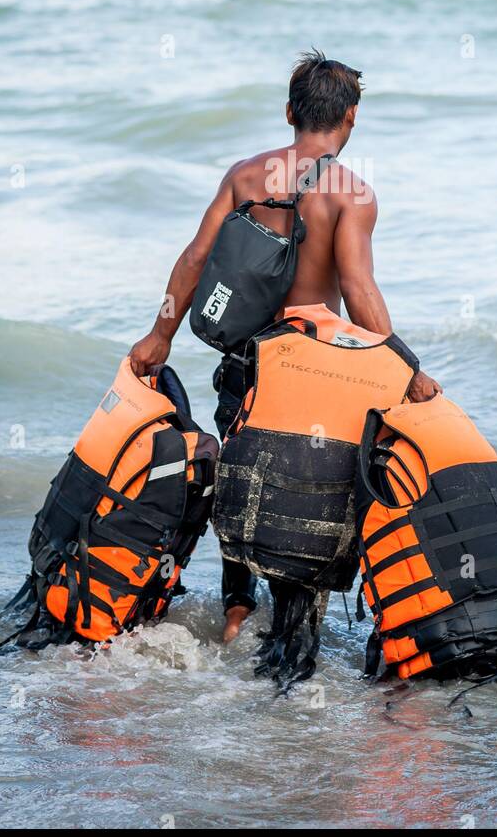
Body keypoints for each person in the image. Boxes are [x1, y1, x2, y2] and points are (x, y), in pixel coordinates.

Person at [128, 51, 442, 642]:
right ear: (350, 118)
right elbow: (357, 289)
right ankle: (294, 634)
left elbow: (195, 258)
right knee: (304, 495)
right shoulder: (352, 193)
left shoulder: (245, 175)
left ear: (290, 111)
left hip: (246, 363)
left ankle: (234, 616)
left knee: (238, 474)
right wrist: (407, 369)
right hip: (311, 371)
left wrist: (160, 335)